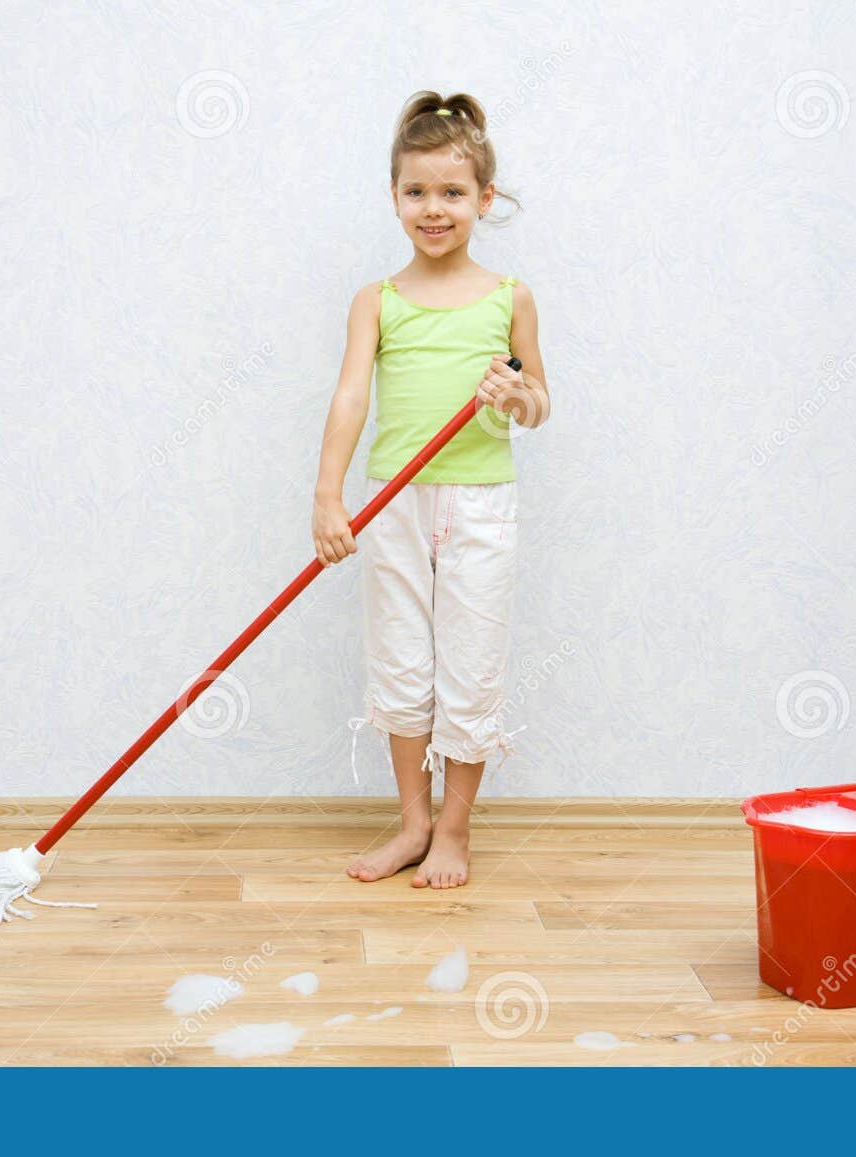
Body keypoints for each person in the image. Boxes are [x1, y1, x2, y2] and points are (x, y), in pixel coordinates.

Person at [311, 90, 551, 890]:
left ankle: (455, 829)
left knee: (471, 667)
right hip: (393, 503)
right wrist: (327, 497)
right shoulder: (375, 301)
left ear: (485, 198)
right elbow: (350, 398)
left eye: (452, 192)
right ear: (394, 196)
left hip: (480, 504)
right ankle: (413, 822)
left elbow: (539, 402)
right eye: (416, 191)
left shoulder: (508, 296)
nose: (433, 208)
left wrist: (516, 400)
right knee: (401, 664)